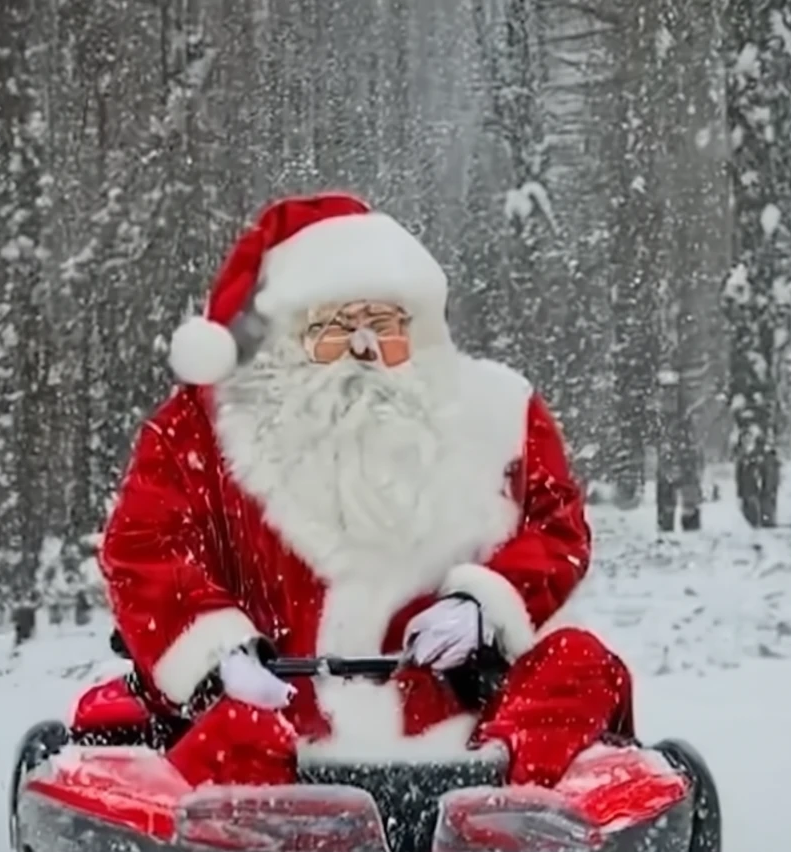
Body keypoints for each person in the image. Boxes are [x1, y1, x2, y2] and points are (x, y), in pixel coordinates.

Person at [99, 192, 635, 791]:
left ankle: (503, 809)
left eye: (385, 323)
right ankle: (270, 828)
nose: (364, 346)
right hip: (282, 716)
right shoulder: (202, 430)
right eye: (334, 326)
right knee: (236, 739)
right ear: (284, 337)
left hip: (465, 719)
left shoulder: (497, 415)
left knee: (581, 666)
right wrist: (219, 655)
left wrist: (485, 603)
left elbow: (554, 524)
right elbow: (145, 549)